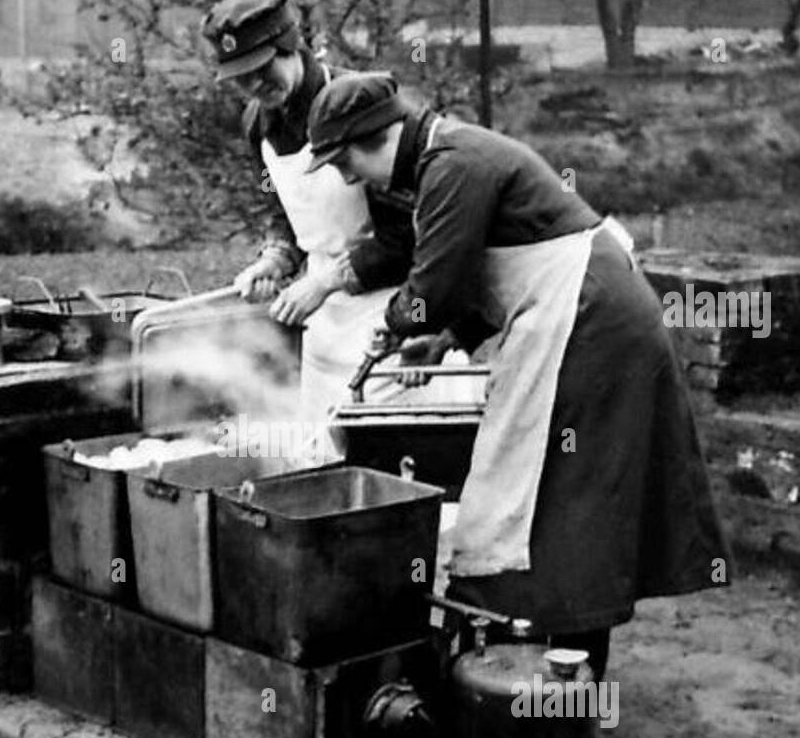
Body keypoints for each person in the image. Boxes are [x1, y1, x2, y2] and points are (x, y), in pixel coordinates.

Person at [304, 73, 732, 678]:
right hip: (578, 312)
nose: (347, 177)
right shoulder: (445, 159)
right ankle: (546, 671)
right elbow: (501, 260)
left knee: (566, 498)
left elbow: (437, 284)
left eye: (346, 159)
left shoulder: (452, 165)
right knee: (565, 497)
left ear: (377, 135)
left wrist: (402, 321)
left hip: (589, 320)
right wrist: (449, 338)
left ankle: (557, 684)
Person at [201, 0, 471, 446]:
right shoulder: (258, 123)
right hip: (325, 321)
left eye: (262, 70)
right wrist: (277, 256)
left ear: (291, 45)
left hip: (398, 310)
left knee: (399, 463)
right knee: (328, 467)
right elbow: (283, 207)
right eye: (241, 78)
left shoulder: (361, 105)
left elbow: (413, 236)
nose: (254, 87)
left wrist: (325, 282)